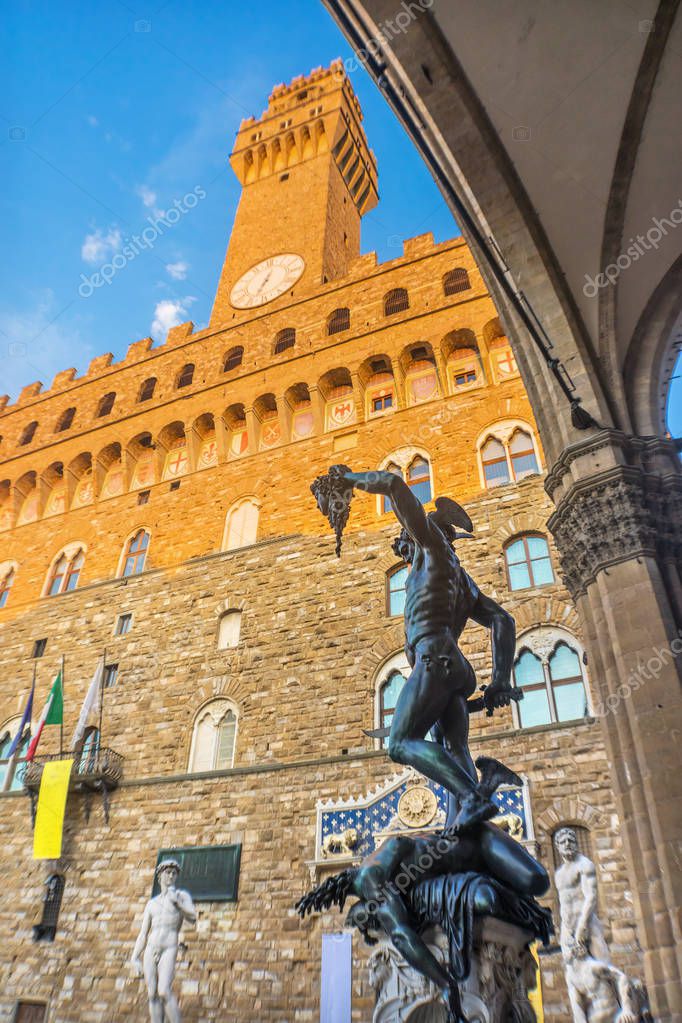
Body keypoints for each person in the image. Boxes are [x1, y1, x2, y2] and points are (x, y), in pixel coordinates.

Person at [327, 465, 522, 829]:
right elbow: (503, 621)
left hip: (433, 660)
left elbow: (392, 483)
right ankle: (462, 826)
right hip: (454, 668)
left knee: (400, 743)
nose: (402, 542)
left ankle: (472, 797)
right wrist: (498, 680)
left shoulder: (431, 547)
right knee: (453, 749)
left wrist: (348, 480)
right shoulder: (463, 581)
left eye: (405, 533)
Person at [132, 859, 197, 1023]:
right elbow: (143, 933)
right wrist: (134, 957)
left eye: (174, 873)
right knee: (152, 993)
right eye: (168, 872)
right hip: (151, 948)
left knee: (163, 991)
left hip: (169, 947)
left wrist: (178, 904)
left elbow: (193, 917)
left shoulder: (182, 896)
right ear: (160, 876)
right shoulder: (152, 903)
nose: (171, 876)